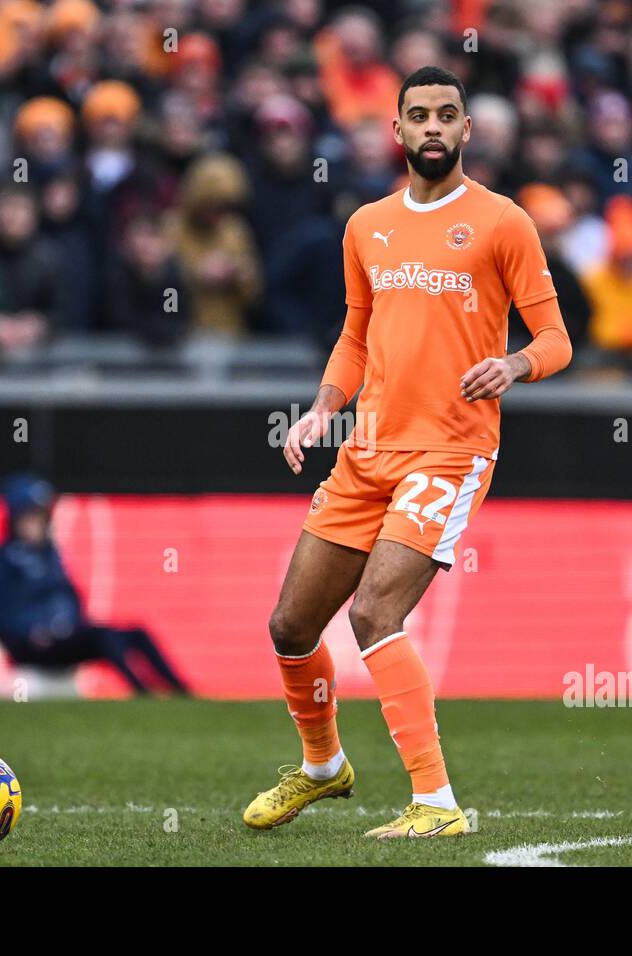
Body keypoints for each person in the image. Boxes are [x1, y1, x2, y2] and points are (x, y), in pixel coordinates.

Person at [243, 66, 571, 839]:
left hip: (451, 451)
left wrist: (515, 364)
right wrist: (320, 412)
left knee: (373, 611)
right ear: (396, 130)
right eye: (418, 115)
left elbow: (556, 338)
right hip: (368, 448)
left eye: (446, 115)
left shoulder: (502, 222)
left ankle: (436, 803)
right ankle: (323, 767)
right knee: (291, 626)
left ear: (466, 131)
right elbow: (355, 337)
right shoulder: (366, 226)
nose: (432, 127)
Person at [0, 474, 191, 696]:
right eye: (31, 517)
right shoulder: (1, 559)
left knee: (135, 633)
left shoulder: (50, 556)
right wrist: (27, 633)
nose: (37, 525)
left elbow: (71, 597)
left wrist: (72, 623)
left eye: (41, 517)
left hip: (64, 637)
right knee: (101, 636)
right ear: (16, 519)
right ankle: (141, 691)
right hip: (33, 645)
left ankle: (180, 690)